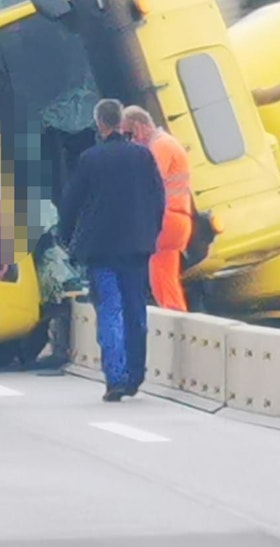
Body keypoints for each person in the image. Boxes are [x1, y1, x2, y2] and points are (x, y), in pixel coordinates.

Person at [58, 99, 165, 402]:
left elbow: (71, 204)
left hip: (101, 250)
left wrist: (68, 239)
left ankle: (115, 378)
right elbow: (159, 199)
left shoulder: (90, 159)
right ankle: (135, 374)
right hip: (136, 248)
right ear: (120, 122)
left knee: (109, 310)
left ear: (99, 124)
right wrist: (150, 234)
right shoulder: (143, 156)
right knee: (136, 310)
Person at [122, 106, 192, 312]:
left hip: (166, 219)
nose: (131, 141)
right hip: (177, 220)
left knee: (157, 276)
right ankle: (178, 319)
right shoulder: (168, 143)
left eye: (130, 134)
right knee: (165, 279)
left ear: (139, 127)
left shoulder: (160, 146)